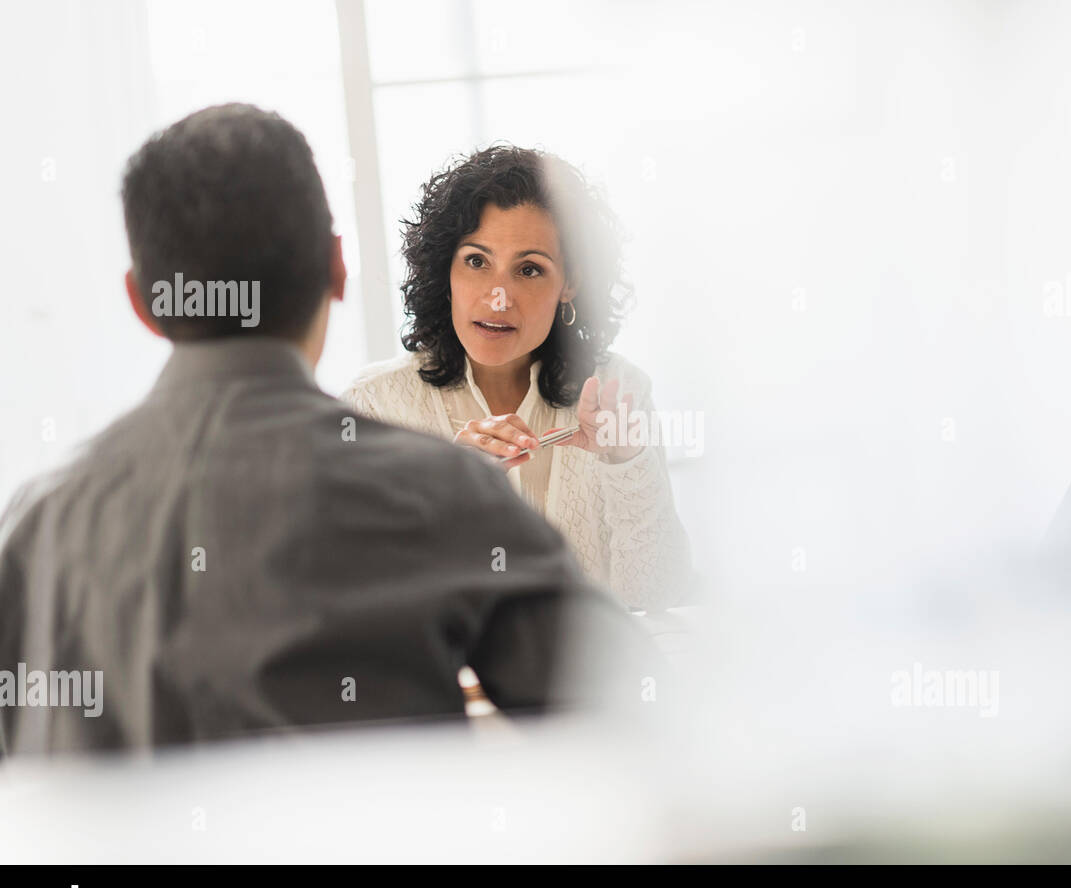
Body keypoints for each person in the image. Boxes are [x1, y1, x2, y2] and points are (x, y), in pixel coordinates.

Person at [0, 105, 645, 758]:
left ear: (142, 302)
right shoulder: (444, 493)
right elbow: (636, 711)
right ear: (337, 269)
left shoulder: (34, 529)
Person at [342, 146, 692, 611]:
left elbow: (658, 596)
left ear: (570, 282)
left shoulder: (619, 393)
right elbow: (359, 608)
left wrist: (625, 462)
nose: (499, 298)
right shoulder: (372, 407)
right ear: (445, 268)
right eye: (476, 262)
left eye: (529, 269)